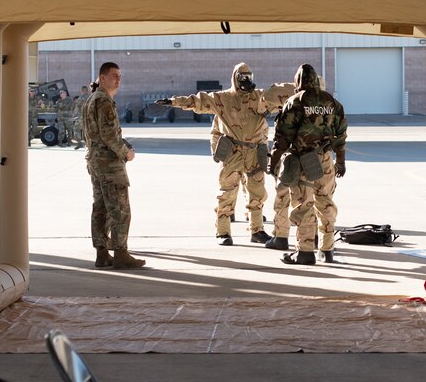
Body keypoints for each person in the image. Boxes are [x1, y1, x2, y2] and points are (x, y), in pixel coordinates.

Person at [156, 63, 294, 245]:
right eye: (242, 77)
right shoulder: (224, 99)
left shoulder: (260, 97)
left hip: (254, 151)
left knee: (257, 192)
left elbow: (282, 93)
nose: (246, 80)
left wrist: (304, 88)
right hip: (233, 152)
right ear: (235, 78)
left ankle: (257, 230)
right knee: (227, 191)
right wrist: (174, 102)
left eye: (249, 76)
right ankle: (223, 231)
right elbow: (199, 100)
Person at [268, 64, 348, 265]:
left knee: (304, 205)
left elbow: (282, 138)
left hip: (303, 161)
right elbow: (341, 135)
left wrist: (274, 161)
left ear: (298, 81)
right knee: (326, 204)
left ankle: (304, 252)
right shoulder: (332, 102)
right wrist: (341, 161)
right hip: (325, 161)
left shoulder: (294, 102)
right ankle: (327, 249)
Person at [83, 62, 145, 269]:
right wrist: (126, 153)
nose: (118, 79)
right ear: (102, 78)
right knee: (119, 208)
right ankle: (120, 253)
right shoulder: (104, 101)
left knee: (101, 208)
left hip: (95, 161)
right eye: (113, 76)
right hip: (109, 164)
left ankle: (102, 253)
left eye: (119, 76)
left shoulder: (91, 99)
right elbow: (109, 135)